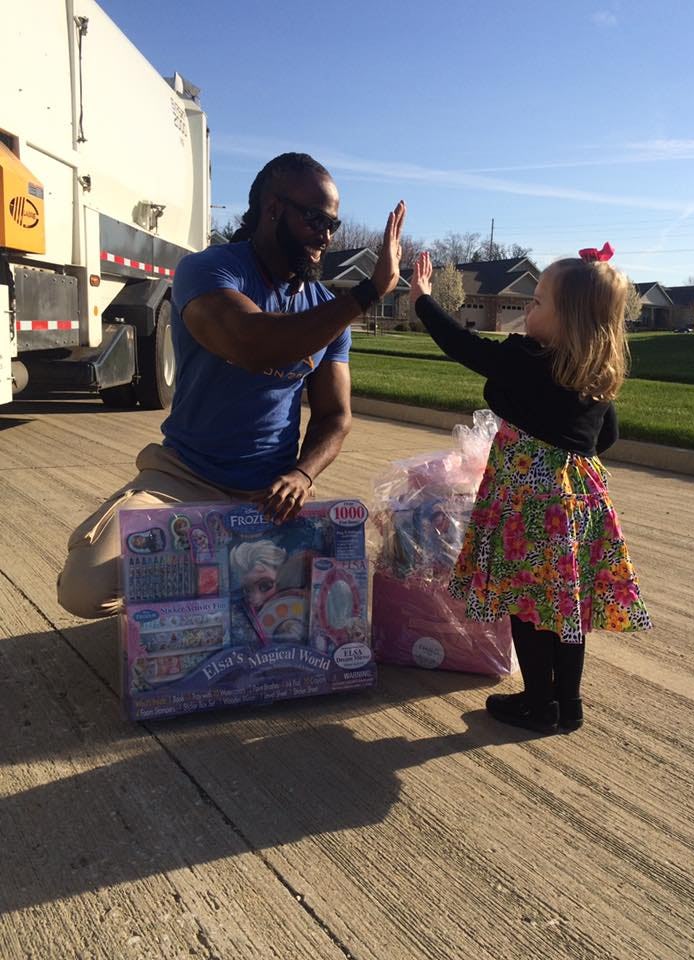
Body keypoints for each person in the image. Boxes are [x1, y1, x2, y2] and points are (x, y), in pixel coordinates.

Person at [57, 153, 405, 619]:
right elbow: (252, 343)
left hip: (270, 495)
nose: (325, 235)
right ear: (273, 209)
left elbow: (334, 417)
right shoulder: (208, 271)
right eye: (315, 219)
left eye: (333, 225)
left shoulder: (327, 310)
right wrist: (366, 294)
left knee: (340, 600)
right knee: (84, 588)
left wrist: (302, 475)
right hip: (183, 478)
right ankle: (194, 593)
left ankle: (213, 584)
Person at [409, 245, 651, 734]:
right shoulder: (597, 375)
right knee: (566, 606)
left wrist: (421, 300)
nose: (526, 311)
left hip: (528, 506)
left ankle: (539, 704)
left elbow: (465, 347)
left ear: (568, 320)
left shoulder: (527, 359)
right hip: (579, 506)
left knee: (527, 604)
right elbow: (606, 438)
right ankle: (570, 703)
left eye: (537, 303)